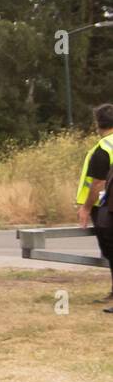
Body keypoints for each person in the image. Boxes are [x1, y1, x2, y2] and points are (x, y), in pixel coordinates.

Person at [74, 103, 113, 307]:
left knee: (110, 250)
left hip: (105, 207)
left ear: (98, 124)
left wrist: (86, 207)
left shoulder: (102, 149)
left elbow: (97, 184)